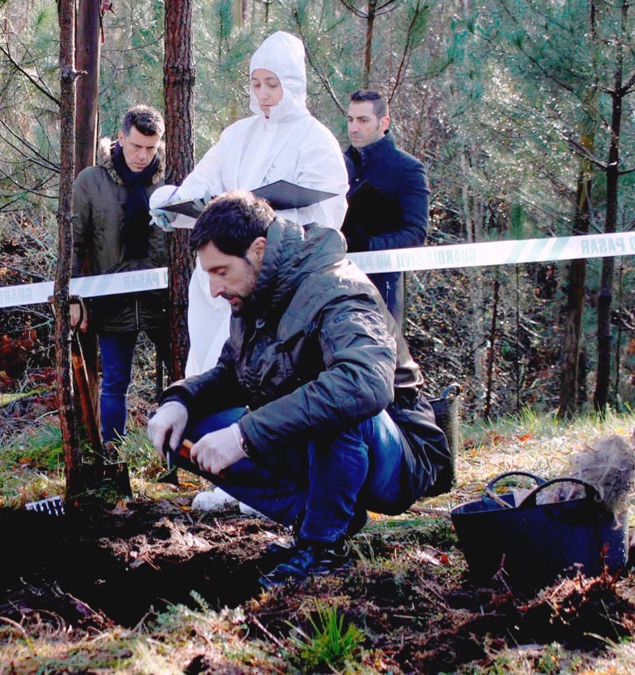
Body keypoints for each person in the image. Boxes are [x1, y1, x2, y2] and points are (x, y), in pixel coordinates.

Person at [146, 191, 450, 587]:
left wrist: (244, 436)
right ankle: (318, 517)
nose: (215, 289)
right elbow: (232, 374)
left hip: (400, 457)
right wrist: (180, 398)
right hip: (322, 447)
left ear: (258, 250)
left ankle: (322, 548)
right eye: (209, 275)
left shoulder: (336, 287)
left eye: (221, 271)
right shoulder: (253, 293)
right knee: (182, 428)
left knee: (340, 399)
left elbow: (364, 384)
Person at [149, 30, 348, 378]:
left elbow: (326, 215)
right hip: (224, 271)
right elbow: (202, 186)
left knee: (259, 365)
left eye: (272, 84)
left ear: (292, 84)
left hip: (276, 280)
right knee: (210, 360)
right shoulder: (238, 135)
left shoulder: (315, 140)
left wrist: (272, 223)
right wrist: (170, 204)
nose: (263, 94)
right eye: (256, 84)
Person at [70, 105, 170, 446]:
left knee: (185, 375)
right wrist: (73, 298)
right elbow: (73, 243)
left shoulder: (170, 182)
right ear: (121, 138)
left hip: (163, 301)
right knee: (115, 382)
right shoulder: (91, 181)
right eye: (136, 146)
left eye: (151, 148)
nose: (143, 156)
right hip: (111, 300)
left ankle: (181, 455)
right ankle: (113, 453)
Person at [343, 89, 430, 327]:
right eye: (350, 120)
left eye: (363, 120)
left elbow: (416, 234)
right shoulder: (338, 164)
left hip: (381, 288)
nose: (354, 128)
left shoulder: (408, 169)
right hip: (335, 283)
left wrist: (367, 245)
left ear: (384, 123)